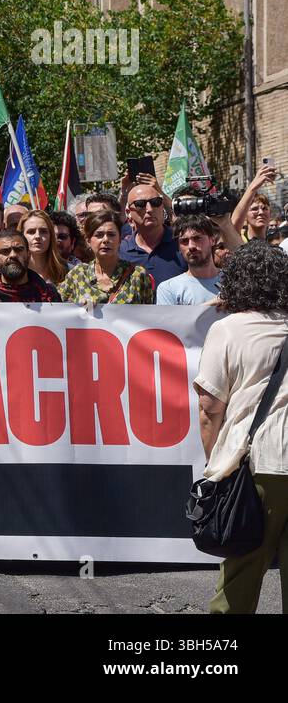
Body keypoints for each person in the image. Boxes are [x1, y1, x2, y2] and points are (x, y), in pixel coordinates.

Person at [192, 241, 288, 613]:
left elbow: (209, 407)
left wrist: (216, 466)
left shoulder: (228, 329)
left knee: (242, 570)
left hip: (258, 464)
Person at [57, 209, 155, 305]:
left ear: (120, 239)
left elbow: (149, 316)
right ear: (88, 240)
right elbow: (56, 309)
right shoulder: (78, 274)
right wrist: (77, 308)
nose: (105, 240)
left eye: (111, 234)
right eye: (99, 235)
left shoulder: (137, 275)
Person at [119, 182, 185, 284]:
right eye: (140, 204)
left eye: (155, 202)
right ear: (128, 212)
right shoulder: (121, 252)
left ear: (162, 207)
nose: (149, 209)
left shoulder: (183, 242)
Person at [0, 229, 62, 303]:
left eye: (19, 249)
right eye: (5, 251)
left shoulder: (49, 294)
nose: (13, 255)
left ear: (28, 255)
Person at [156, 216, 222, 305]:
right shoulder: (169, 289)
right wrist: (212, 305)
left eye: (197, 238)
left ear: (212, 240)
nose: (191, 246)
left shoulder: (234, 280)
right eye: (184, 241)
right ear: (178, 247)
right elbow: (169, 319)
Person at [18, 209, 68, 285]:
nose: (37, 236)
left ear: (51, 236)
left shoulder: (67, 270)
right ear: (21, 236)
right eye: (31, 232)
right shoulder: (15, 272)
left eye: (43, 231)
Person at [231, 162, 278, 242]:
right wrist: (253, 187)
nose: (260, 212)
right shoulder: (239, 240)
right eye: (255, 209)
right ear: (245, 216)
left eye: (264, 208)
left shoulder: (275, 241)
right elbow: (233, 226)